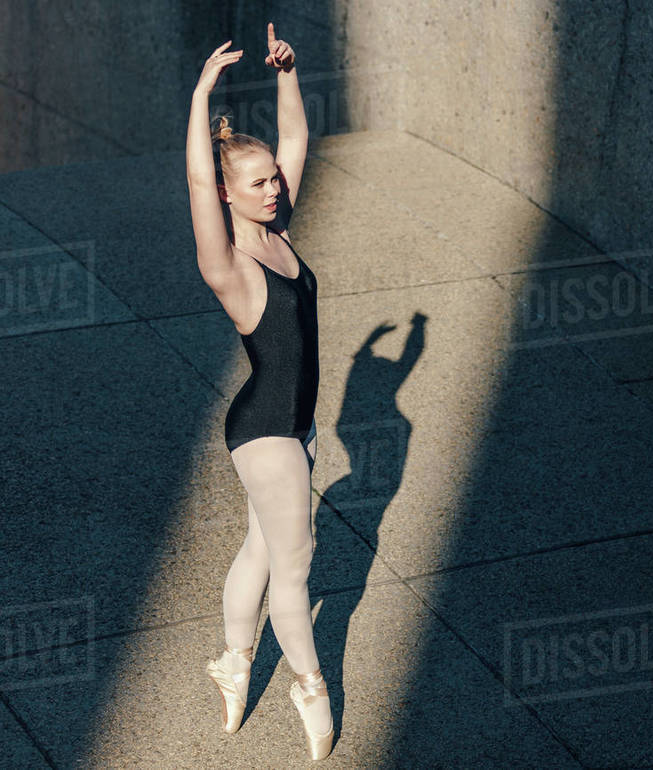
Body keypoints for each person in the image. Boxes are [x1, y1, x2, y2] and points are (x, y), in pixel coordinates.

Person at [185, 23, 332, 761]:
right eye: (257, 183)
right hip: (266, 429)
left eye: (274, 178)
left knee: (258, 551)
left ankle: (233, 663)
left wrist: (286, 75)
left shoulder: (278, 228)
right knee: (295, 567)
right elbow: (193, 183)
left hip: (291, 427)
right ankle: (309, 687)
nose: (275, 188)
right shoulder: (233, 266)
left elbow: (299, 144)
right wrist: (201, 96)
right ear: (224, 195)